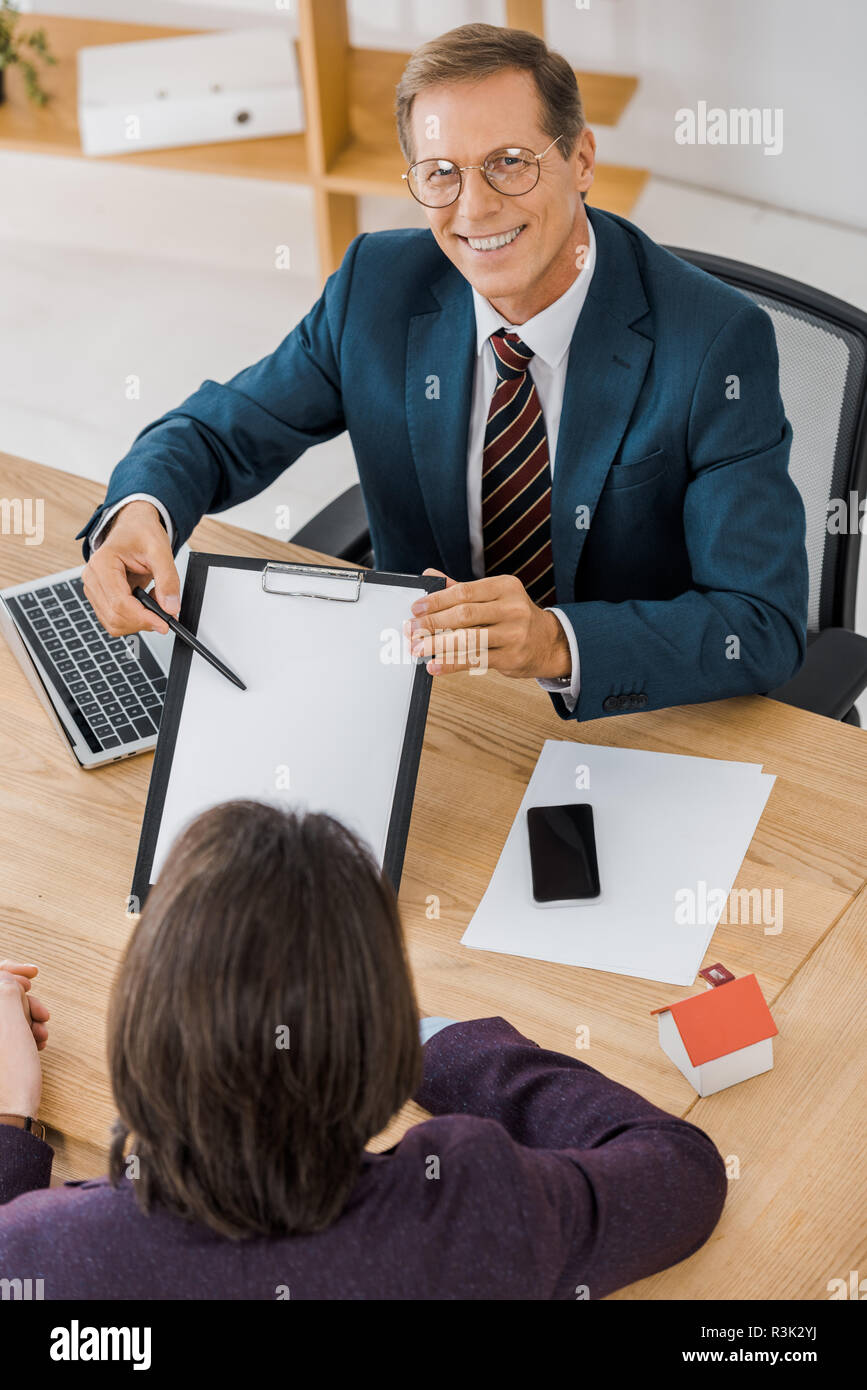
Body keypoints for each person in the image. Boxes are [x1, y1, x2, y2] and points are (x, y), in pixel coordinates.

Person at [78, 23, 807, 724]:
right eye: (441, 174)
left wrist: (552, 641)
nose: (476, 205)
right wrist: (142, 513)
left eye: (509, 161)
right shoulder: (377, 287)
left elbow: (760, 622)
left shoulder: (714, 343)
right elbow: (216, 434)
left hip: (623, 710)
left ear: (581, 159)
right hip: (427, 703)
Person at [0, 801, 726, 1300]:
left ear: (136, 1031)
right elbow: (682, 1175)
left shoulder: (44, 1252)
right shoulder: (477, 1211)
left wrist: (9, 1119)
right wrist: (420, 1034)